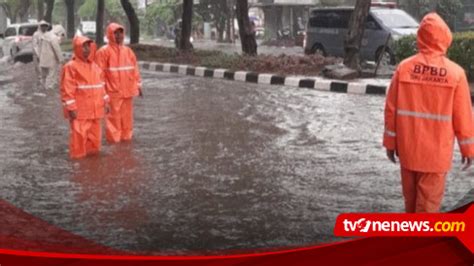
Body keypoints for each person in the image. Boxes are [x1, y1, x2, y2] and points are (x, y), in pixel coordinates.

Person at [383, 13, 474, 213]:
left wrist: (390, 144)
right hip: (436, 156)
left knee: (411, 205)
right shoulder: (455, 74)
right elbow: (463, 116)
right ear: (445, 37)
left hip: (408, 151)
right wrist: (468, 150)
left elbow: (391, 110)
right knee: (427, 209)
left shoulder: (404, 68)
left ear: (420, 36)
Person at [60, 36, 109, 159]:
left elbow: (101, 86)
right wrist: (71, 108)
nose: (86, 49)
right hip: (80, 114)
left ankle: (92, 169)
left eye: (88, 46)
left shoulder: (95, 67)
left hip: (96, 112)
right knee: (78, 144)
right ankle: (79, 168)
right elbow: (67, 89)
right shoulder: (71, 67)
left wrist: (106, 102)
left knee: (95, 143)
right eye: (83, 46)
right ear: (77, 48)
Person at [96, 23, 142, 144]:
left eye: (120, 33)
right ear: (110, 34)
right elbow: (98, 75)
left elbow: (134, 70)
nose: (119, 35)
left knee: (127, 119)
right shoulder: (103, 52)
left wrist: (138, 85)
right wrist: (102, 94)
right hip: (112, 93)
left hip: (127, 92)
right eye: (116, 33)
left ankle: (126, 140)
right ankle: (114, 143)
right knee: (113, 119)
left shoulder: (128, 52)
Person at [39, 24, 63, 90]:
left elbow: (39, 47)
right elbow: (56, 49)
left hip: (43, 58)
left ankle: (43, 85)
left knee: (44, 74)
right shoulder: (53, 37)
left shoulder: (43, 36)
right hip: (51, 58)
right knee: (52, 73)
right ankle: (49, 86)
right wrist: (61, 59)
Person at [32, 20, 49, 89]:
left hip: (45, 54)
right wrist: (38, 54)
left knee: (46, 69)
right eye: (42, 26)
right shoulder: (36, 34)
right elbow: (35, 45)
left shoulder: (48, 34)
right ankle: (39, 83)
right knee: (38, 69)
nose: (44, 27)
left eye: (45, 26)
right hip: (37, 55)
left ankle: (45, 83)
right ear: (40, 26)